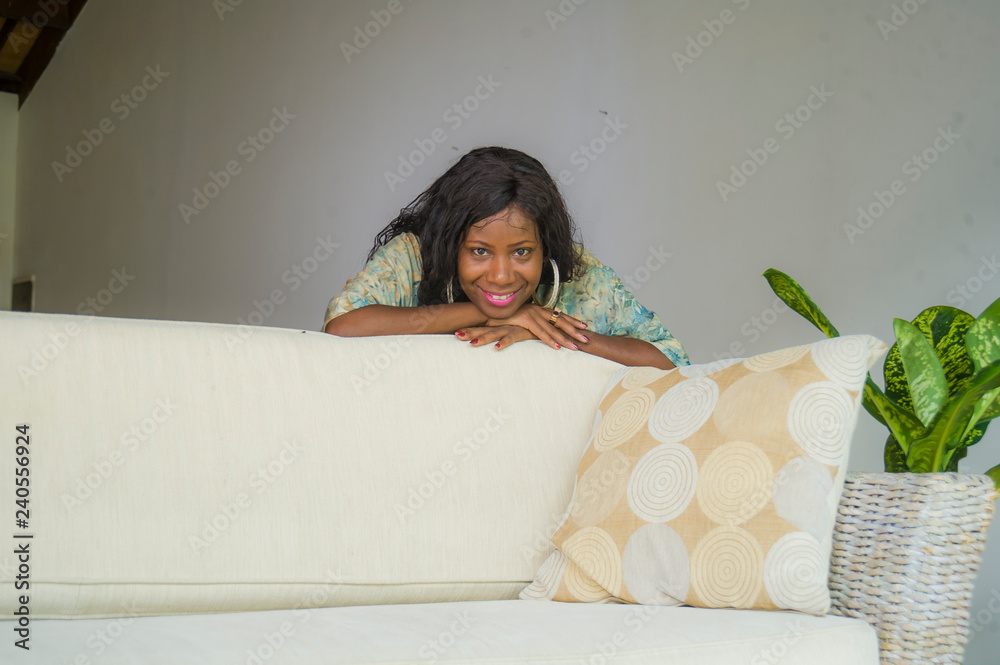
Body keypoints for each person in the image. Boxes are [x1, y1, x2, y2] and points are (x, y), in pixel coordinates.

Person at [322, 147, 688, 369]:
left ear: (546, 247)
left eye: (522, 252)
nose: (501, 276)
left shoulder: (579, 275)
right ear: (451, 244)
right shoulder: (415, 255)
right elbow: (344, 327)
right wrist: (500, 312)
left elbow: (671, 364)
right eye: (479, 251)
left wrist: (550, 333)